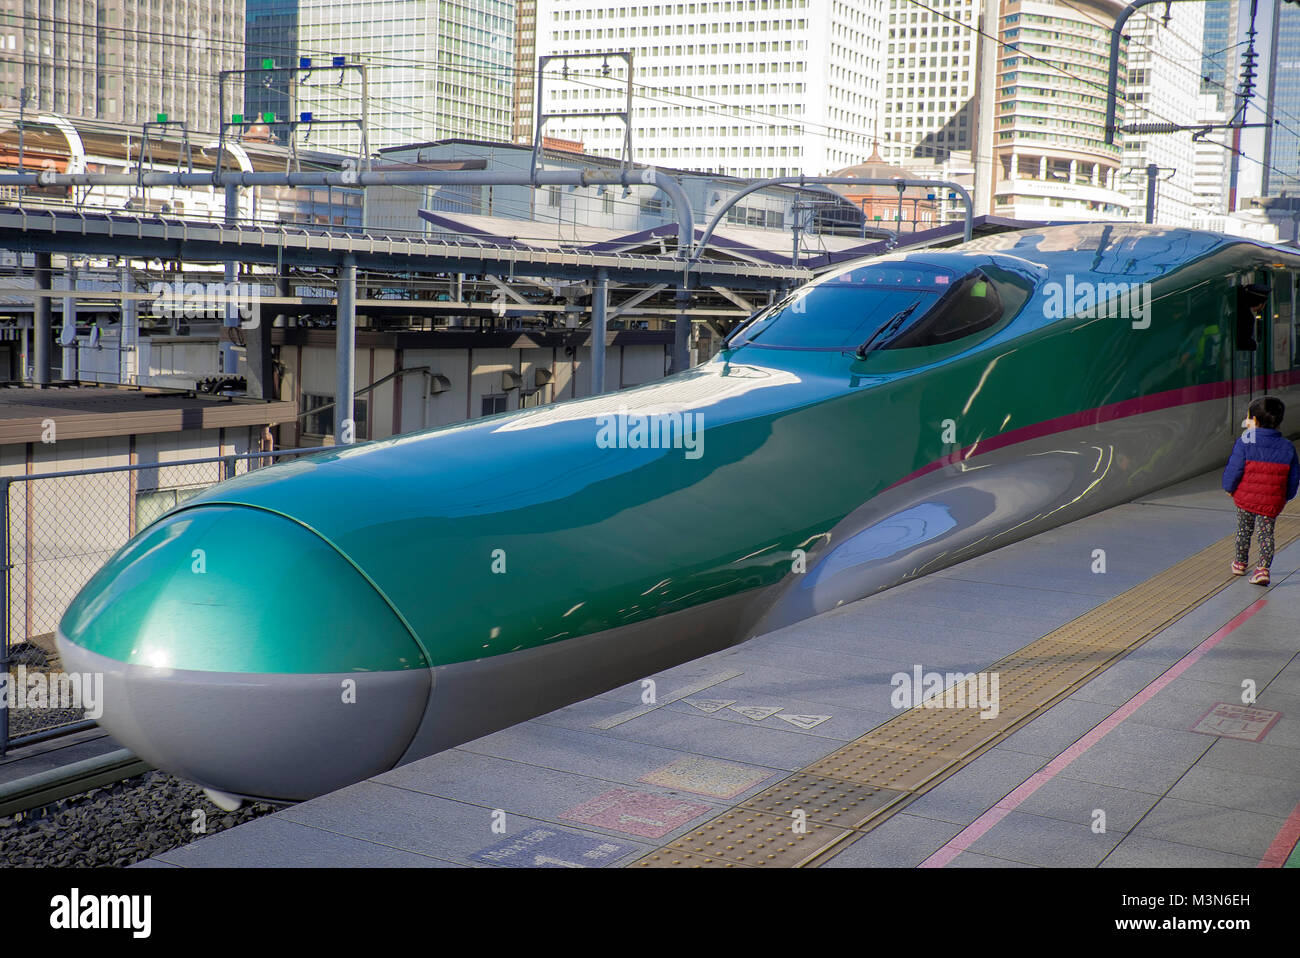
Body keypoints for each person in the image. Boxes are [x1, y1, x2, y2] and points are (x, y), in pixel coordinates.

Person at [1222, 396, 1300, 585]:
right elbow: (1293, 478)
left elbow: (1234, 469)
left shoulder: (1245, 442)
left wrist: (1228, 487)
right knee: (1266, 534)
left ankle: (1240, 563)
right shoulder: (1287, 447)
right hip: (1271, 502)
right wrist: (1287, 496)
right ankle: (1263, 570)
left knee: (1244, 530)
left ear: (1254, 421)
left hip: (1245, 499)